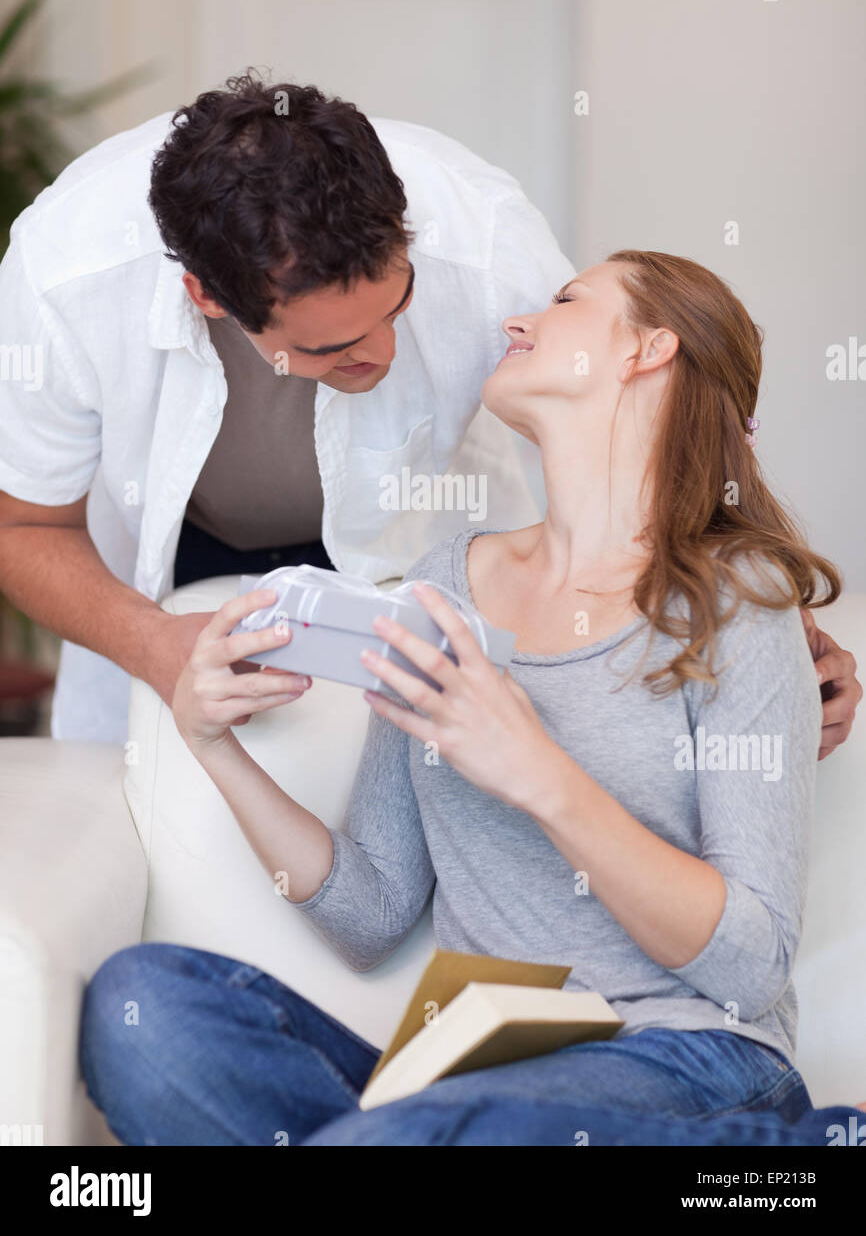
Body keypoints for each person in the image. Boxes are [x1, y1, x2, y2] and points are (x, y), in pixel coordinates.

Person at [80, 251, 858, 1146]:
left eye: (565, 302)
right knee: (145, 1005)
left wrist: (533, 768)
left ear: (649, 350)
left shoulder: (738, 601)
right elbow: (373, 914)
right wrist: (212, 744)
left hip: (685, 1059)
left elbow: (752, 967)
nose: (517, 323)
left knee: (441, 1134)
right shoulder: (445, 582)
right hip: (467, 1081)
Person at [0, 75, 859, 750]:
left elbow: (642, 423)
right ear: (207, 295)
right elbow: (24, 527)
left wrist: (771, 634)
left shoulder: (480, 239)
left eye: (397, 305)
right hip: (165, 558)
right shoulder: (66, 274)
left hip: (414, 543)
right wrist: (154, 644)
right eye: (334, 348)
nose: (382, 355)